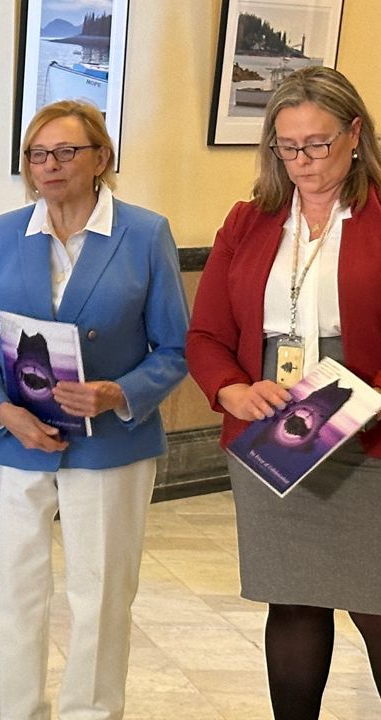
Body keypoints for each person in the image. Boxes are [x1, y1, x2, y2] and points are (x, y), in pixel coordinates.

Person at [0, 100, 189, 720]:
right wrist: (2, 411)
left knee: (103, 594)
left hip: (111, 447)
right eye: (37, 154)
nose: (48, 166)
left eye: (65, 152)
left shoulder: (145, 233)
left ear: (101, 159)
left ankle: (92, 712)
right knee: (18, 590)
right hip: (16, 442)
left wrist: (118, 393)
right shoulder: (2, 234)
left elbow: (174, 350)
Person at [186, 65, 381, 719]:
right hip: (276, 432)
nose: (302, 160)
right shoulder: (250, 221)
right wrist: (232, 391)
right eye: (287, 146)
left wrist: (358, 406)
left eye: (318, 143)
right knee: (292, 599)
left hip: (371, 433)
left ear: (355, 134)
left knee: (378, 602)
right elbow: (207, 333)